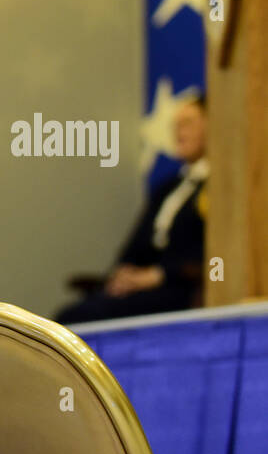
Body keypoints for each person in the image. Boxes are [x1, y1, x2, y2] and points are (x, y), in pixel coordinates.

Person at [56, 96, 209, 324]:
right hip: (142, 289)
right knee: (68, 318)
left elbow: (213, 257)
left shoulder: (221, 191)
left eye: (187, 123)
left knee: (85, 316)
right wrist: (124, 274)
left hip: (181, 291)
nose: (179, 132)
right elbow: (137, 244)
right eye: (175, 125)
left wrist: (159, 275)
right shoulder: (167, 189)